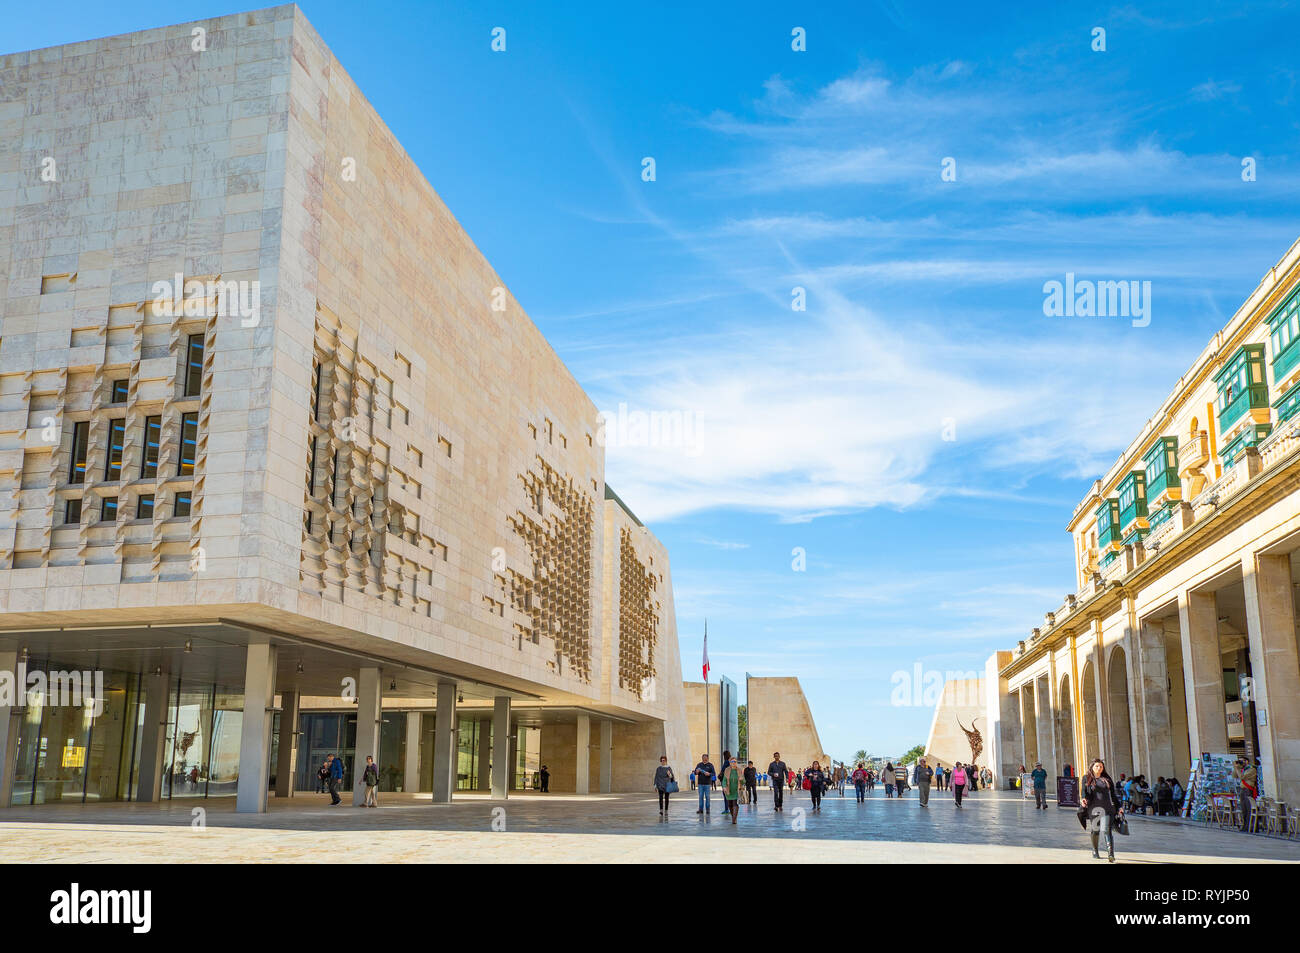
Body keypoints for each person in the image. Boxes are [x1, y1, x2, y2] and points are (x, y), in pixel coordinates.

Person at [1079, 757, 1122, 862]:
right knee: (1095, 831)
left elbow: (1113, 794)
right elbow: (1083, 791)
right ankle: (1095, 850)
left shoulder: (1107, 779)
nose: (1099, 768)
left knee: (1107, 830)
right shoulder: (1086, 778)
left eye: (1101, 766)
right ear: (1092, 767)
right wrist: (1083, 799)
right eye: (1097, 766)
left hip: (1108, 808)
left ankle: (1110, 854)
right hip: (1094, 808)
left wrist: (1119, 806)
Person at [721, 757, 742, 824]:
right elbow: (724, 779)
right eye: (732, 761)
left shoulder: (739, 770)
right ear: (730, 763)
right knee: (730, 804)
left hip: (736, 789)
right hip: (728, 790)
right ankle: (733, 816)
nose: (734, 763)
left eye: (735, 761)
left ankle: (734, 819)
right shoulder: (727, 770)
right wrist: (724, 786)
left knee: (735, 803)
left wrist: (742, 780)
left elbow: (743, 780)